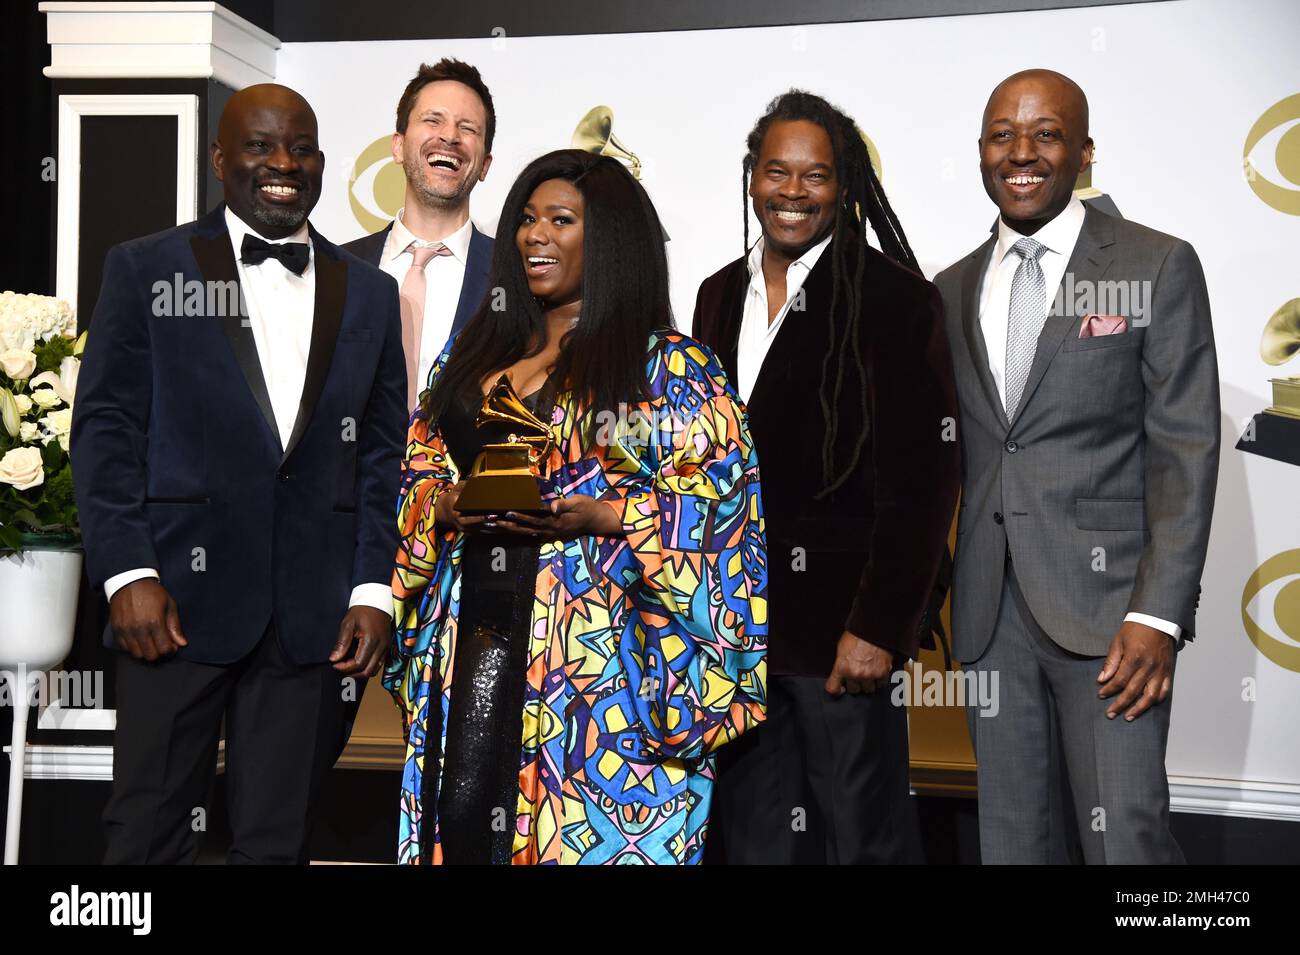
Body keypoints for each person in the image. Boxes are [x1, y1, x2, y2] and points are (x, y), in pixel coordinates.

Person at [387, 149, 768, 865]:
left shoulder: (671, 371)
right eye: (527, 219)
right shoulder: (469, 355)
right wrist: (446, 503)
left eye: (560, 220)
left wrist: (603, 514)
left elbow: (723, 512)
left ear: (612, 241)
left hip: (599, 672)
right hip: (470, 641)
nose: (535, 236)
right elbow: (413, 478)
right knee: (466, 827)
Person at [70, 84, 407, 864]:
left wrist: (370, 590)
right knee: (147, 834)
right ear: (220, 158)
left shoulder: (372, 294)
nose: (283, 164)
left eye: (300, 147)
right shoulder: (145, 266)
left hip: (313, 621)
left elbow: (384, 455)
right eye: (260, 146)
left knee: (276, 843)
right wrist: (126, 572)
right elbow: (106, 428)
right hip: (172, 605)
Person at [933, 69, 1219, 864]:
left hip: (1113, 621)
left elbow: (1185, 451)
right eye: (1001, 135)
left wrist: (1158, 615)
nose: (1020, 152)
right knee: (1013, 845)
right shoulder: (950, 287)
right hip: (990, 616)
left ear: (1084, 152)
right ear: (982, 152)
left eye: (1046, 134)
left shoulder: (1155, 264)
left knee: (1126, 841)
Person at [692, 90, 960, 864]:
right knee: (755, 839)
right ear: (752, 178)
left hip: (841, 636)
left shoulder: (895, 298)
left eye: (815, 176)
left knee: (857, 837)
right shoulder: (716, 294)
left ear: (845, 186)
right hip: (732, 631)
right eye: (776, 172)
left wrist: (880, 626)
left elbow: (923, 479)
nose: (793, 192)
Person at [343, 58, 495, 410]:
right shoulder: (336, 267)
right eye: (433, 120)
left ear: (484, 164)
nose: (450, 136)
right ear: (397, 146)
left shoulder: (514, 276)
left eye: (468, 128)